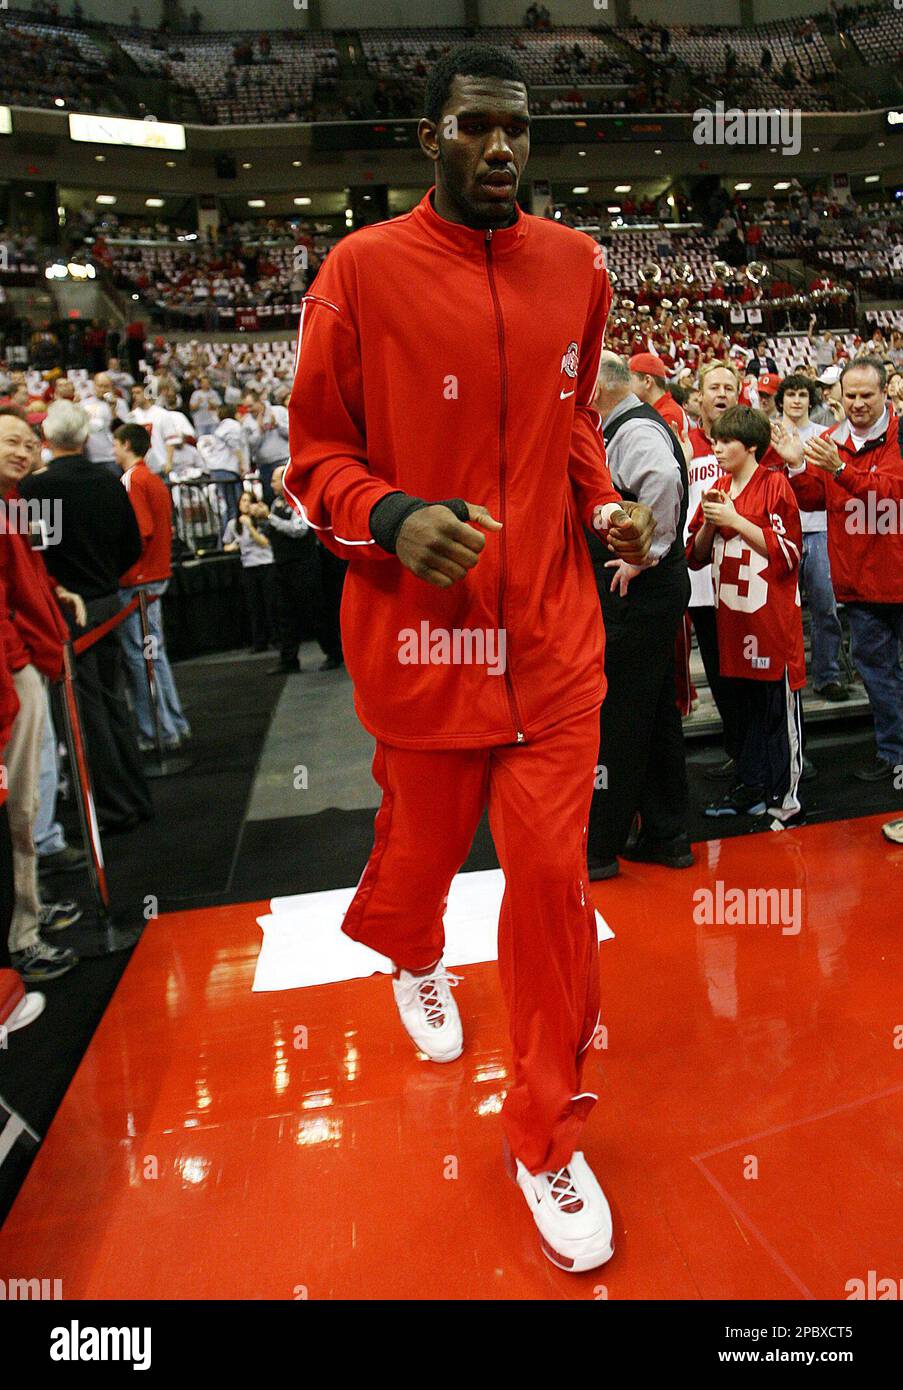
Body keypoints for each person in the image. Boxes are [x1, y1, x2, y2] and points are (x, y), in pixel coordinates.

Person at [285, 43, 654, 1274]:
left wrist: (602, 502)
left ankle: (546, 1137)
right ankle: (418, 950)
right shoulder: (359, 271)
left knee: (551, 896)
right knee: (421, 858)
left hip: (553, 651)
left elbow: (571, 414)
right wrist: (390, 516)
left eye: (519, 131)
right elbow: (312, 462)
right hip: (425, 649)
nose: (502, 149)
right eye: (477, 127)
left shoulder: (579, 267)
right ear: (430, 137)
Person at [21, 401, 154, 834]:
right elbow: (132, 544)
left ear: (45, 441)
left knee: (83, 710)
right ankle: (132, 796)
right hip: (106, 598)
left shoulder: (33, 490)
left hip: (66, 609)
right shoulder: (107, 481)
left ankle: (111, 807)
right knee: (114, 702)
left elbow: (33, 555)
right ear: (82, 439)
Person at [773, 358, 903, 782]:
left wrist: (841, 470)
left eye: (867, 394)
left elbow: (890, 495)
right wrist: (796, 467)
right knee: (876, 675)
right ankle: (893, 753)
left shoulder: (900, 436)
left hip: (898, 575)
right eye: (850, 395)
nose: (859, 403)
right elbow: (815, 499)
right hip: (859, 584)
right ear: (837, 397)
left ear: (885, 393)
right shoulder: (830, 440)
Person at [586, 355, 691, 878]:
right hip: (649, 587)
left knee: (620, 716)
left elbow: (664, 484)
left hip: (641, 589)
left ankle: (600, 844)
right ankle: (667, 833)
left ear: (598, 389)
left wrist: (641, 556)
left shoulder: (635, 431)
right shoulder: (632, 425)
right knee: (652, 711)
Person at [687, 407, 806, 824]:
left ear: (751, 446)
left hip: (770, 622)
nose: (716, 449)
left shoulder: (775, 485)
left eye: (726, 442)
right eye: (715, 441)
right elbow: (695, 556)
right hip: (731, 622)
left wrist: (735, 520)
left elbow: (791, 552)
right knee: (744, 716)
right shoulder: (717, 486)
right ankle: (751, 788)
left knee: (776, 713)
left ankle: (785, 798)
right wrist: (709, 524)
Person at [0, 409, 83, 981]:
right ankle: (21, 933)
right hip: (14, 673)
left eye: (28, 443)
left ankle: (26, 908)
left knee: (32, 798)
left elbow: (27, 575)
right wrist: (18, 664)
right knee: (21, 805)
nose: (22, 451)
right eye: (10, 441)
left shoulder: (14, 506)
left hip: (25, 664)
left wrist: (57, 593)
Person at [766, 374, 848, 702]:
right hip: (777, 529)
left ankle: (827, 673)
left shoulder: (823, 435)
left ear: (809, 400)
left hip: (817, 526)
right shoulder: (767, 432)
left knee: (825, 605)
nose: (797, 400)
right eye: (791, 395)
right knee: (777, 610)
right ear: (782, 399)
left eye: (802, 395)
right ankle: (782, 673)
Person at [114, 423, 191, 752]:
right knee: (153, 655)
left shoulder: (133, 480)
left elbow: (139, 531)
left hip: (139, 580)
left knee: (142, 657)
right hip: (153, 576)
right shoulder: (153, 478)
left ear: (127, 444)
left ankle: (157, 730)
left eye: (116, 444)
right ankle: (173, 723)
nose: (113, 450)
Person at [686, 362, 744, 776]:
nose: (721, 394)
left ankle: (770, 758)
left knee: (753, 675)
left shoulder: (756, 440)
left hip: (746, 576)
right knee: (720, 675)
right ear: (699, 396)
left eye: (729, 387)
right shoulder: (681, 442)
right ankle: (740, 752)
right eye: (714, 387)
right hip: (700, 578)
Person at [265, 465, 331, 675]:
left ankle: (334, 652)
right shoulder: (275, 504)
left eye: (275, 480)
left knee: (314, 610)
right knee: (284, 614)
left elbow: (299, 530)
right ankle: (289, 659)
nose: (271, 484)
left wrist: (269, 518)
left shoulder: (299, 504)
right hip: (282, 564)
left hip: (303, 564)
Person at [223, 491, 276, 652]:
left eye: (248, 501)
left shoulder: (261, 520)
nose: (245, 504)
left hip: (266, 564)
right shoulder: (233, 524)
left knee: (271, 605)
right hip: (248, 567)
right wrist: (232, 547)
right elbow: (226, 544)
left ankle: (277, 639)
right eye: (243, 501)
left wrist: (249, 526)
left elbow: (264, 542)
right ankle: (259, 641)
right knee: (254, 607)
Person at [627, 352, 690, 454]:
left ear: (647, 381)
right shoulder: (660, 410)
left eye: (629, 379)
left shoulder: (667, 415)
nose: (627, 386)